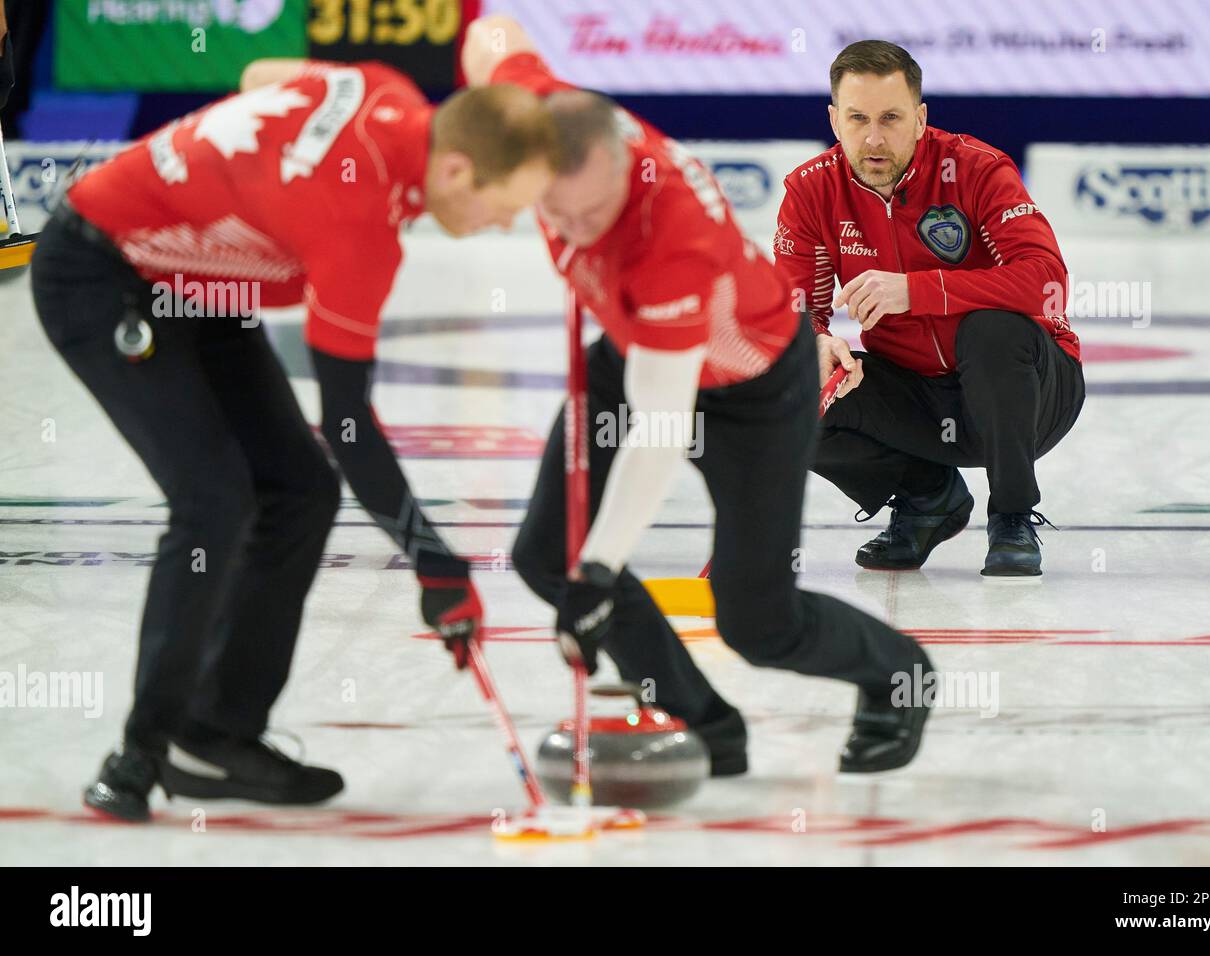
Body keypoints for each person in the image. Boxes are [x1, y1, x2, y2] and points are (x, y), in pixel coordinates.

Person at [30, 58, 560, 821]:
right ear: (456, 167)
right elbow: (348, 424)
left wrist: (238, 185)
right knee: (212, 501)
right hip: (99, 271)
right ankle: (142, 754)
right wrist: (435, 562)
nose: (505, 223)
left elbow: (260, 73)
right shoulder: (359, 227)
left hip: (204, 281)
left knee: (301, 489)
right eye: (503, 205)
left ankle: (216, 736)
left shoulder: (389, 92)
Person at [462, 16, 934, 777]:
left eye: (592, 218)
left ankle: (897, 673)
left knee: (757, 621)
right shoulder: (543, 118)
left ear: (623, 175)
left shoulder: (669, 239)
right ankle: (706, 724)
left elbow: (658, 431)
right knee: (545, 553)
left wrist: (600, 574)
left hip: (753, 392)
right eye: (559, 213)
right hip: (631, 351)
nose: (575, 232)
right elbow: (491, 35)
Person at [775, 40, 1085, 578]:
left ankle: (1011, 516)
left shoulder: (978, 168)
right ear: (834, 119)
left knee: (992, 331)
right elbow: (794, 309)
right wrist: (814, 342)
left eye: (891, 118)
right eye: (858, 118)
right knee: (790, 378)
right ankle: (928, 498)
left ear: (920, 119)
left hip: (1031, 396)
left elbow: (1047, 280)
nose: (874, 138)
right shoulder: (811, 190)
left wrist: (918, 290)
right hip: (919, 401)